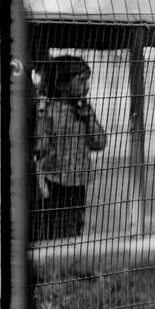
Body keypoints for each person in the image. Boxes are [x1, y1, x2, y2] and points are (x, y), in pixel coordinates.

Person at [32, 55, 108, 240]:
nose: (87, 86)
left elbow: (99, 143)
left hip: (78, 181)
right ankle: (58, 265)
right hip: (55, 181)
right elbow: (39, 146)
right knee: (58, 226)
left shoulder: (83, 111)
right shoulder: (48, 112)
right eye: (82, 81)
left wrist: (89, 117)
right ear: (62, 84)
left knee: (75, 224)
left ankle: (71, 263)